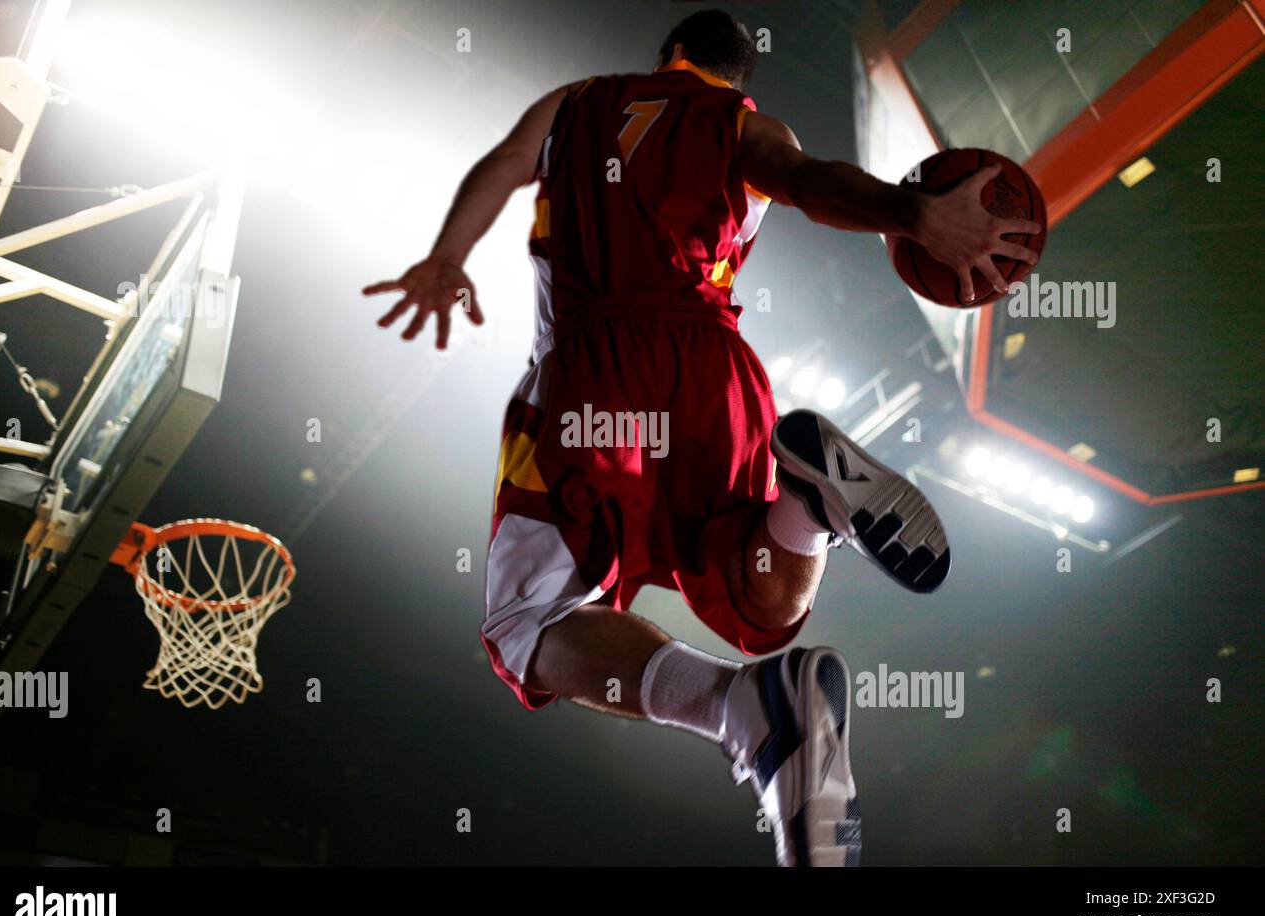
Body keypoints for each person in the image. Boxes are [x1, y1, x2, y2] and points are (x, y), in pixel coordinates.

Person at [364, 9, 1039, 866]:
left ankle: (733, 706)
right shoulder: (743, 122)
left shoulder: (574, 104)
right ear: (739, 74)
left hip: (592, 368)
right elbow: (803, 179)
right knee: (761, 603)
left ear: (666, 55)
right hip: (715, 370)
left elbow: (500, 168)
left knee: (526, 625)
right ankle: (804, 509)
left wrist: (445, 258)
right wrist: (907, 214)